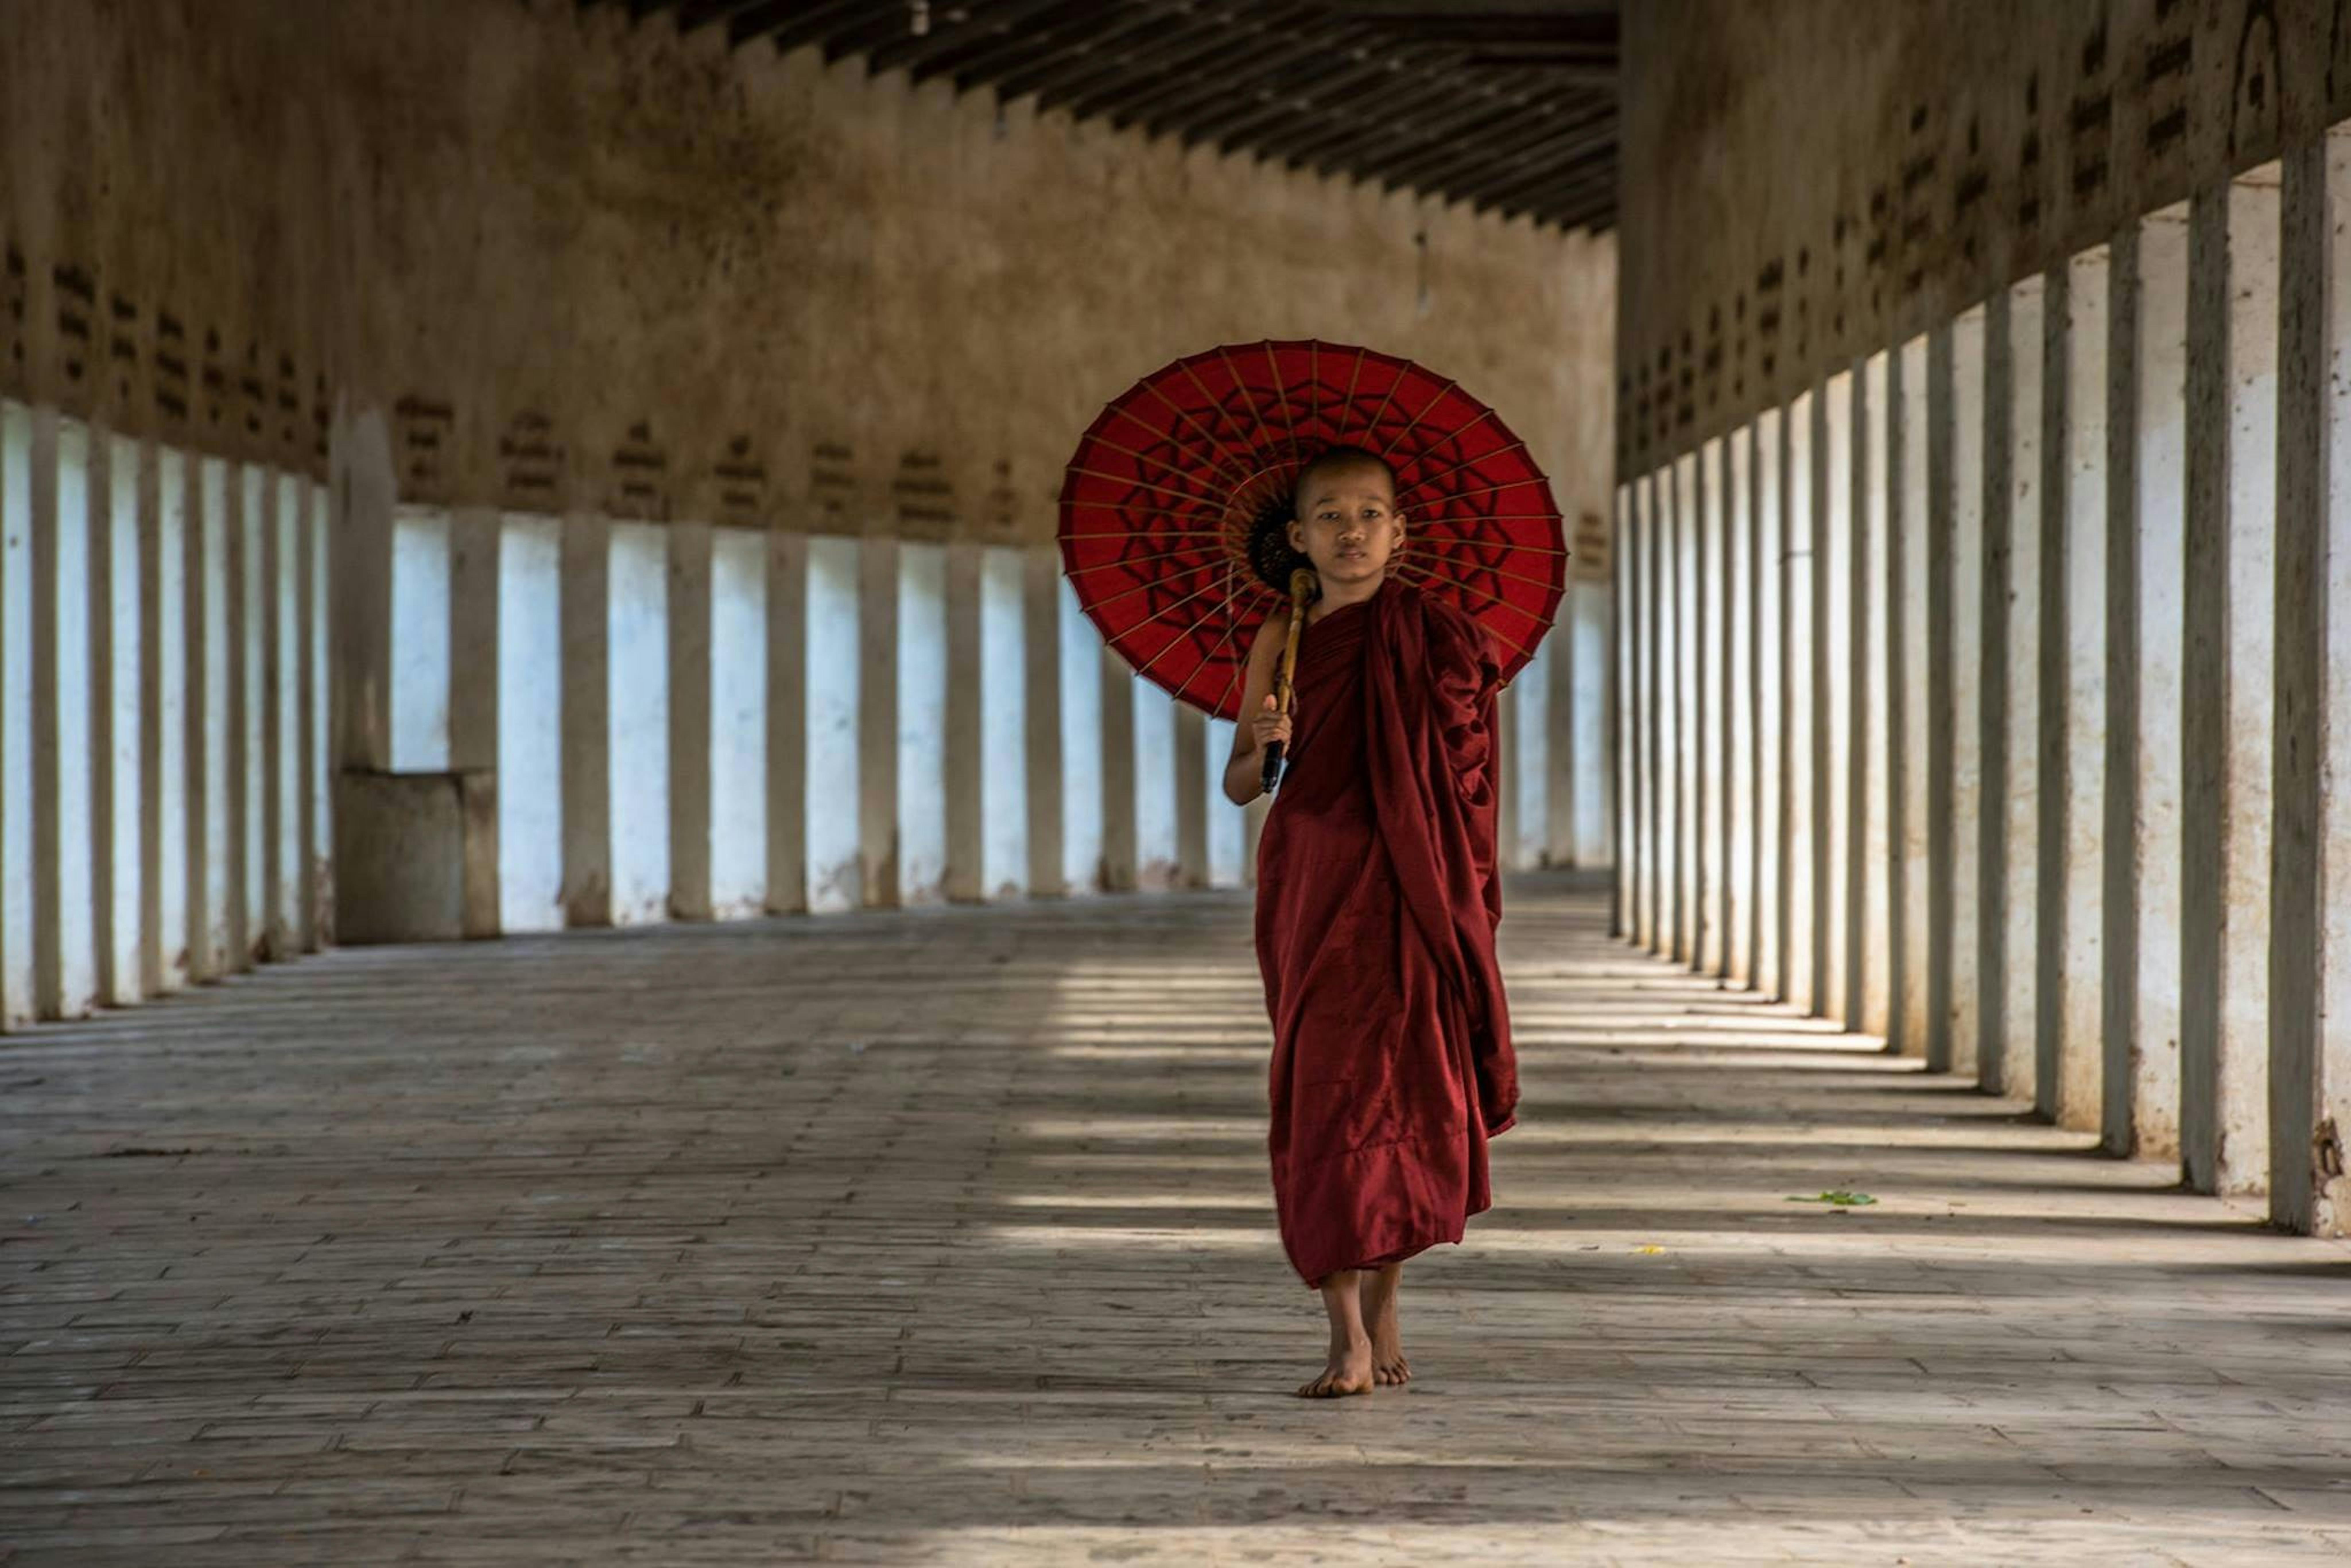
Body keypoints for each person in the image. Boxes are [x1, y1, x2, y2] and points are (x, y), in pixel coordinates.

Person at [1223, 444, 1518, 1399]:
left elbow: (1465, 776)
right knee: (1327, 1092)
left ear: (1401, 532)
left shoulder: (1438, 637)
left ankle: (1387, 1299)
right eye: (1331, 517)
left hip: (1412, 883)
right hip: (1313, 883)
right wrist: (1265, 745)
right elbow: (1239, 785)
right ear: (1298, 537)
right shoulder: (1284, 637)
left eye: (1370, 514)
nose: (1352, 532)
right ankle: (1344, 1330)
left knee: (1412, 1089)